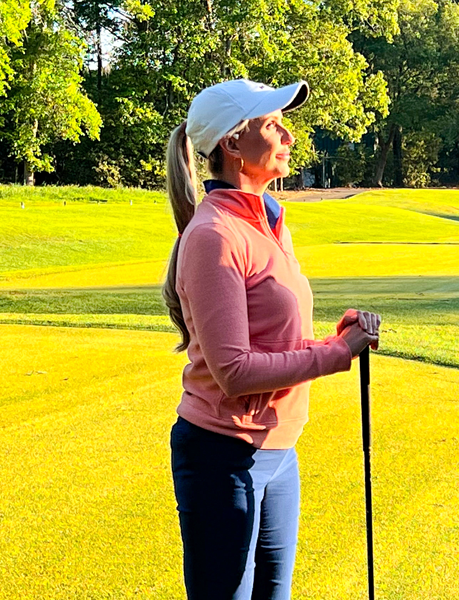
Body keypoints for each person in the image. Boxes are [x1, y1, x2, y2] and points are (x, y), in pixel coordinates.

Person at [162, 78, 381, 600]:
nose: (287, 132)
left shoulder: (269, 222)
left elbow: (273, 336)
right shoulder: (215, 235)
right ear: (233, 145)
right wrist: (335, 354)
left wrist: (335, 335)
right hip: (225, 456)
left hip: (280, 451)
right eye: (271, 123)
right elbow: (234, 372)